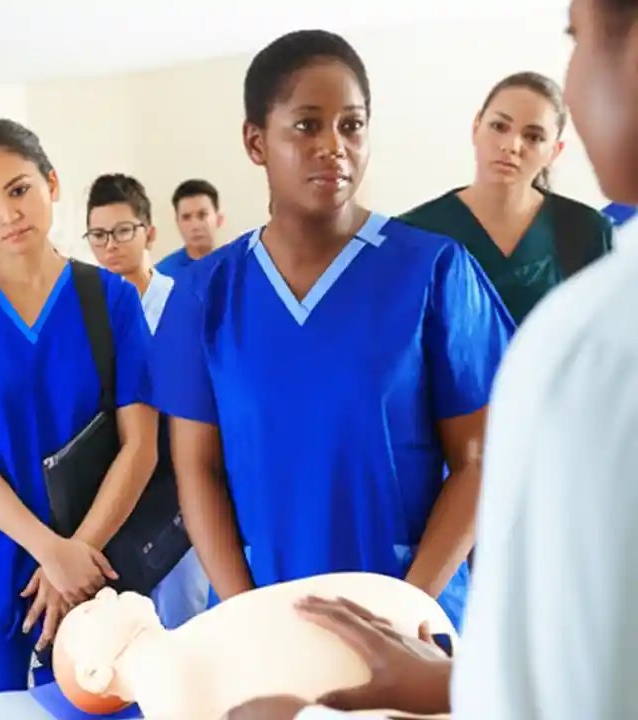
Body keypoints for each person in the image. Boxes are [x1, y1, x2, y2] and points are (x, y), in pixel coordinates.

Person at [230, 1, 638, 718]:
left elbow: (577, 675)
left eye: (576, 37)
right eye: (308, 125)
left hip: (440, 567)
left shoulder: (584, 320)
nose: (333, 146)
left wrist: (417, 622)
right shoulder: (227, 288)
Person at [147, 29, 514, 636]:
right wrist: (248, 618)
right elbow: (197, 470)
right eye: (307, 126)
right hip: (262, 616)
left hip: (411, 621)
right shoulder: (205, 295)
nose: (333, 147)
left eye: (352, 125)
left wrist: (403, 614)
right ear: (255, 140)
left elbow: (476, 460)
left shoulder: (432, 272)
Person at [0, 118, 158, 702]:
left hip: (95, 556)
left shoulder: (112, 300)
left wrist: (77, 557)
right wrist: (52, 553)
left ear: (51, 184)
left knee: (97, 707)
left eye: (19, 189)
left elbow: (141, 444)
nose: (7, 213)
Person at [82, 172, 210, 628]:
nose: (110, 245)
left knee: (182, 620)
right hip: (111, 489)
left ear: (149, 233)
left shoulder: (182, 304)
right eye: (98, 235)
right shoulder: (89, 312)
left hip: (178, 489)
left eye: (122, 231)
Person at [400, 72, 613, 325]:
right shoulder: (415, 235)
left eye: (533, 137)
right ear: (476, 126)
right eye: (499, 126)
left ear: (554, 151)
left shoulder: (588, 232)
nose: (511, 145)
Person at [154, 179, 225, 277]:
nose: (195, 225)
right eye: (186, 217)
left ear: (219, 219)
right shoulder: (162, 276)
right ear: (177, 222)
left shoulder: (237, 268)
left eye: (202, 215)